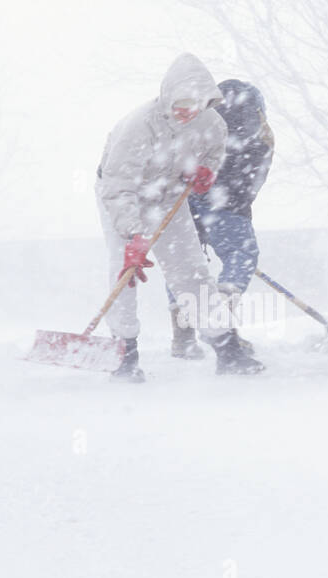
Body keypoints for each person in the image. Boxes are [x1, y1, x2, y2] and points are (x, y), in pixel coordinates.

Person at [96, 54, 266, 381]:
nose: (187, 110)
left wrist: (206, 171)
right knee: (124, 272)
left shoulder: (212, 122)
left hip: (168, 195)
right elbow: (117, 187)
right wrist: (133, 236)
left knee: (191, 270)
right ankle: (124, 355)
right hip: (124, 196)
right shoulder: (139, 126)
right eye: (181, 102)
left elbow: (214, 152)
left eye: (195, 103)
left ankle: (227, 349)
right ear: (168, 96)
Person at [169, 79, 274, 360]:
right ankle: (222, 328)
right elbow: (253, 181)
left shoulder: (196, 125)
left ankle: (183, 337)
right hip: (229, 204)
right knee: (241, 255)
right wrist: (234, 209)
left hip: (186, 200)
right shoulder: (260, 134)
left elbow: (176, 163)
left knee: (183, 264)